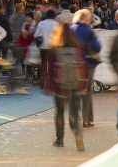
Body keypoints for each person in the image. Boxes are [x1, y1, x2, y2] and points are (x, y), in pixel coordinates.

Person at [43, 23, 87, 151]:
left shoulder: (54, 51)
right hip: (76, 85)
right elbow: (83, 68)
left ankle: (59, 140)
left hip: (59, 87)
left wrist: (49, 86)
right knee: (74, 113)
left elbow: (50, 71)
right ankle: (78, 135)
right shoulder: (78, 49)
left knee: (60, 113)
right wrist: (83, 85)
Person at [71, 9, 102, 128]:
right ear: (86, 18)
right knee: (87, 91)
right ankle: (87, 120)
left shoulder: (70, 29)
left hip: (73, 63)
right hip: (88, 64)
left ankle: (74, 119)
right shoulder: (88, 30)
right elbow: (97, 47)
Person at [34, 10, 59, 85]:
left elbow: (36, 35)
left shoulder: (41, 23)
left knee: (43, 64)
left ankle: (43, 82)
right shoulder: (57, 24)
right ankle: (52, 82)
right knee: (52, 64)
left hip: (43, 47)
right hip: (53, 47)